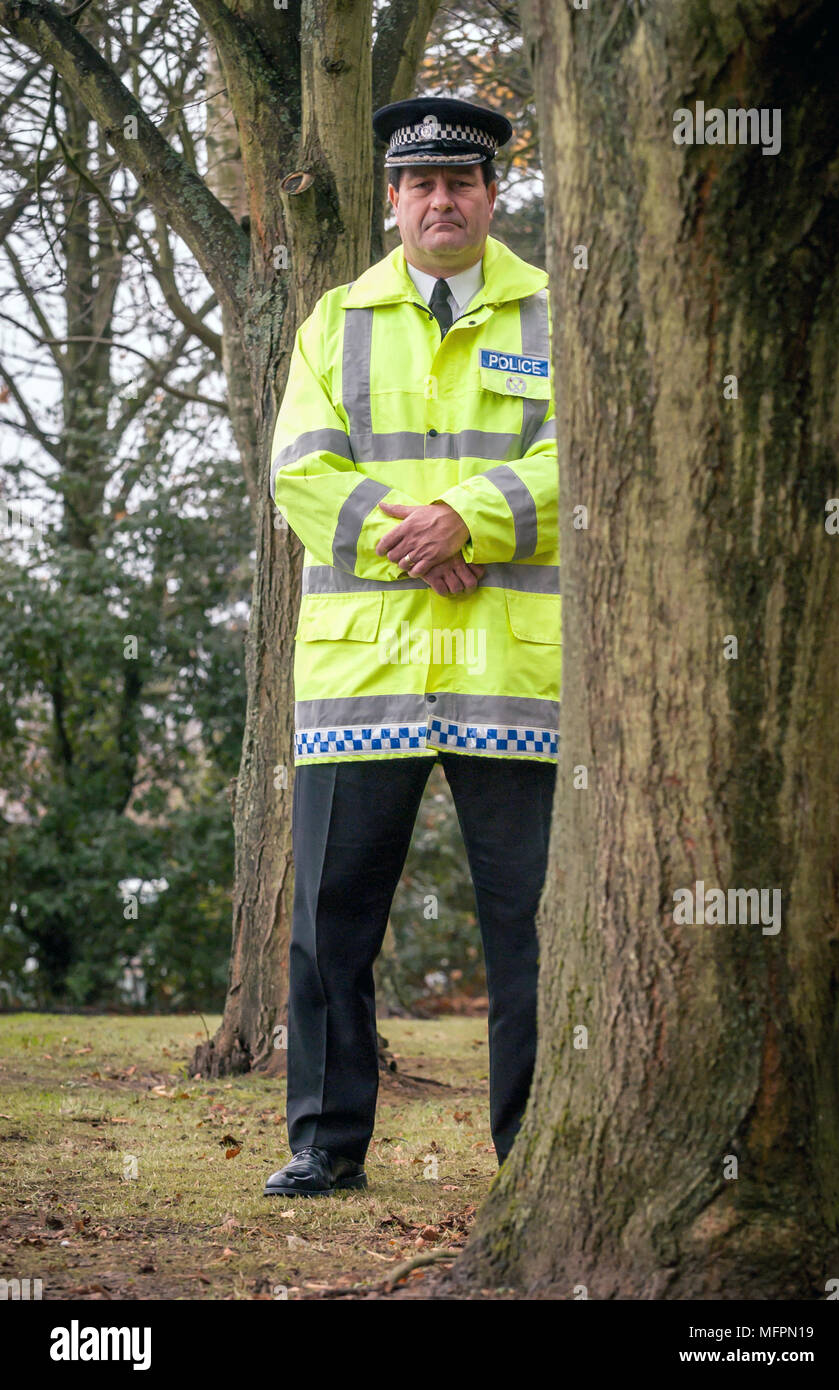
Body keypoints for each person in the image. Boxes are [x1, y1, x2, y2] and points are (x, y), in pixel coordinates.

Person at [264, 96, 560, 1196]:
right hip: (362, 671)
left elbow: (584, 455)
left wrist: (468, 517)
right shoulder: (333, 320)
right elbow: (301, 469)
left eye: (464, 182)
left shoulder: (555, 318)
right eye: (422, 184)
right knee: (331, 921)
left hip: (515, 672)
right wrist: (424, 538)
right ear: (393, 200)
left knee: (531, 927)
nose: (443, 200)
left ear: (494, 196)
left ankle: (531, 1149)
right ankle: (325, 1142)